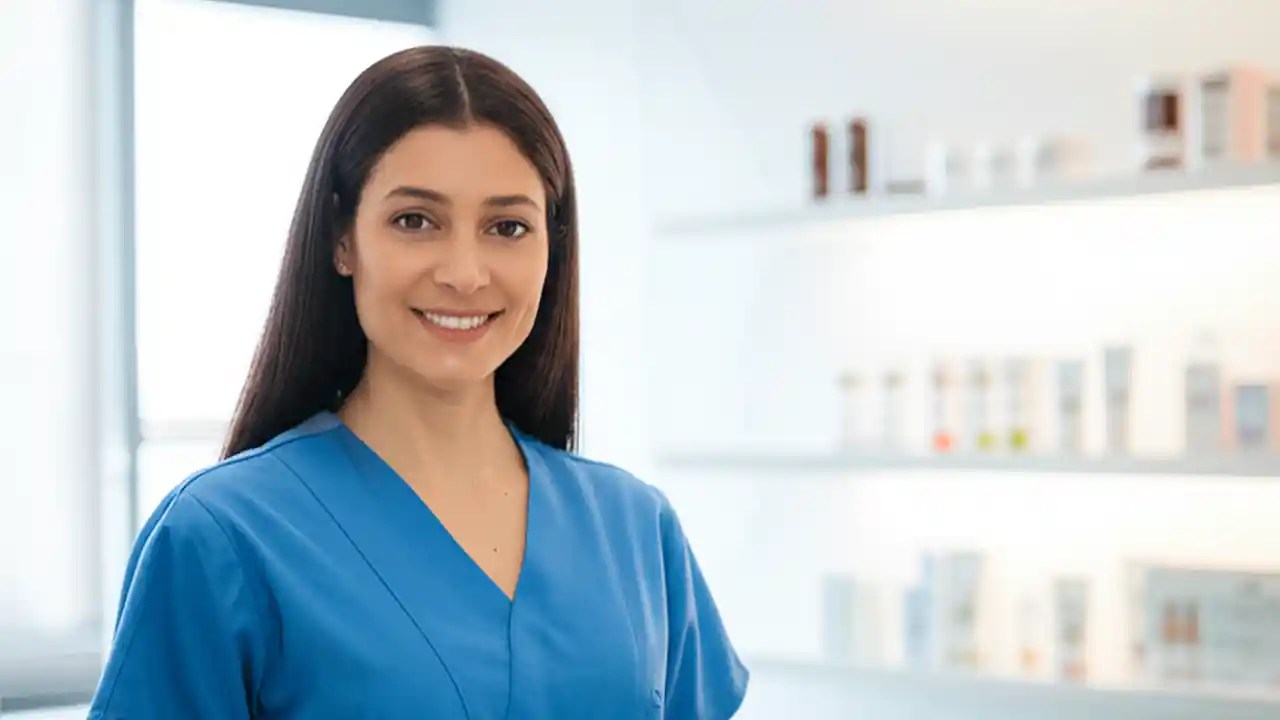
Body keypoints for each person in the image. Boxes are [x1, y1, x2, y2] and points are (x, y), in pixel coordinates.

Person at [88, 46, 748, 718]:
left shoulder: (635, 530)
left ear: (552, 248)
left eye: (507, 227)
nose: (464, 272)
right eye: (415, 221)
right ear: (343, 238)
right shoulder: (221, 535)